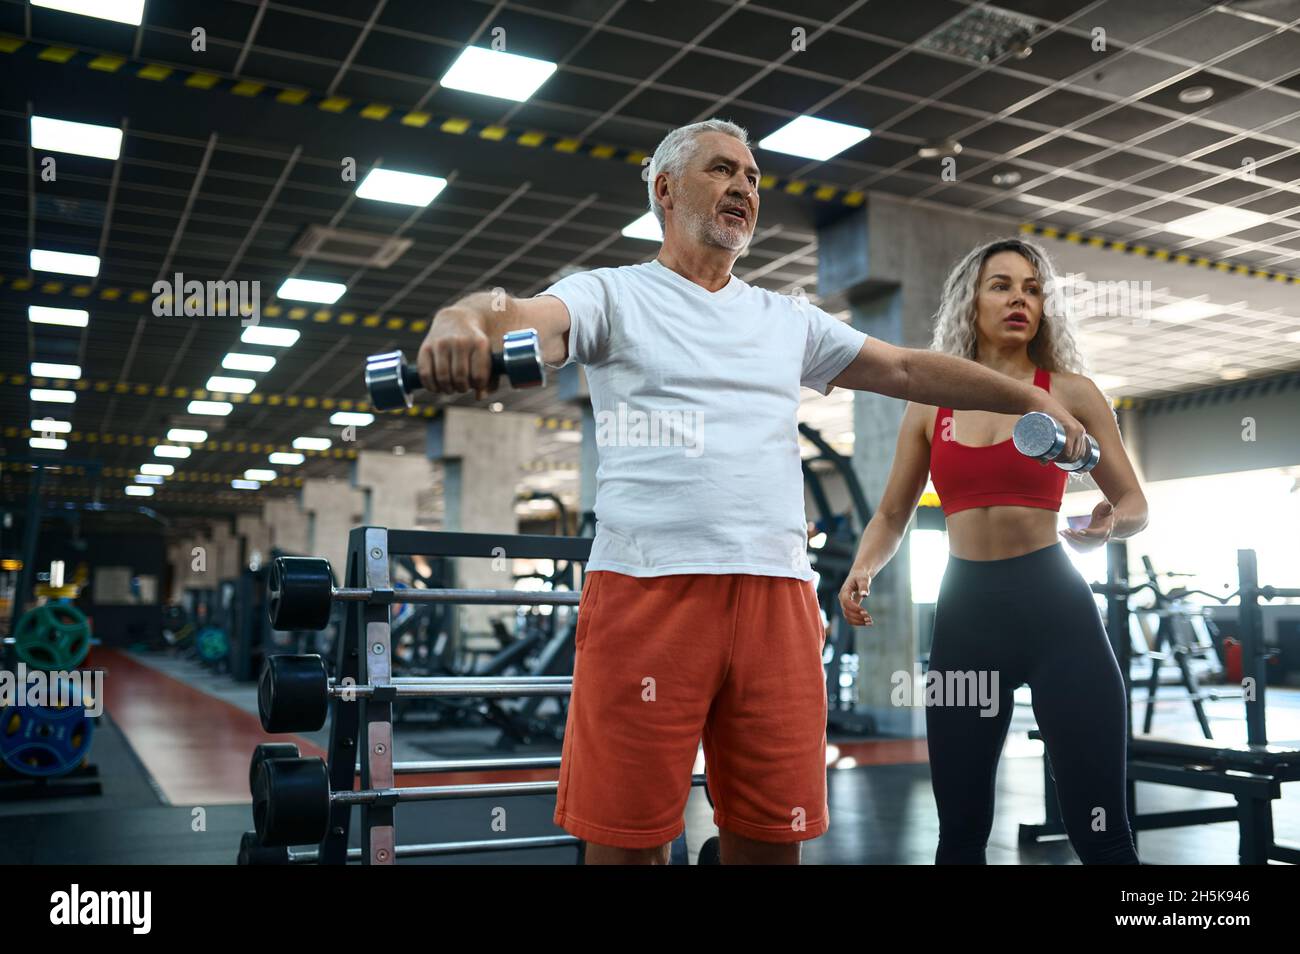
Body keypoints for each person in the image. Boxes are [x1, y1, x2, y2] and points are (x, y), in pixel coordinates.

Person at [417, 121, 1088, 865]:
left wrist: (1029, 398)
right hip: (648, 593)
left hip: (778, 600)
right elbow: (530, 321)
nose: (744, 187)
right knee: (629, 844)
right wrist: (462, 318)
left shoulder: (785, 318)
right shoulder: (611, 294)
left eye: (754, 177)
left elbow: (903, 369)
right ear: (665, 191)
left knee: (773, 838)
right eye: (722, 170)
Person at [839, 237, 1148, 864]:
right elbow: (893, 512)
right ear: (970, 302)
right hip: (967, 618)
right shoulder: (933, 404)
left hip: (1057, 611)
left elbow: (1135, 504)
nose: (1020, 300)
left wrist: (1108, 524)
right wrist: (861, 569)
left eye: (1033, 289)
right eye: (1002, 285)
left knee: (1102, 832)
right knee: (960, 832)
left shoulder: (1072, 393)